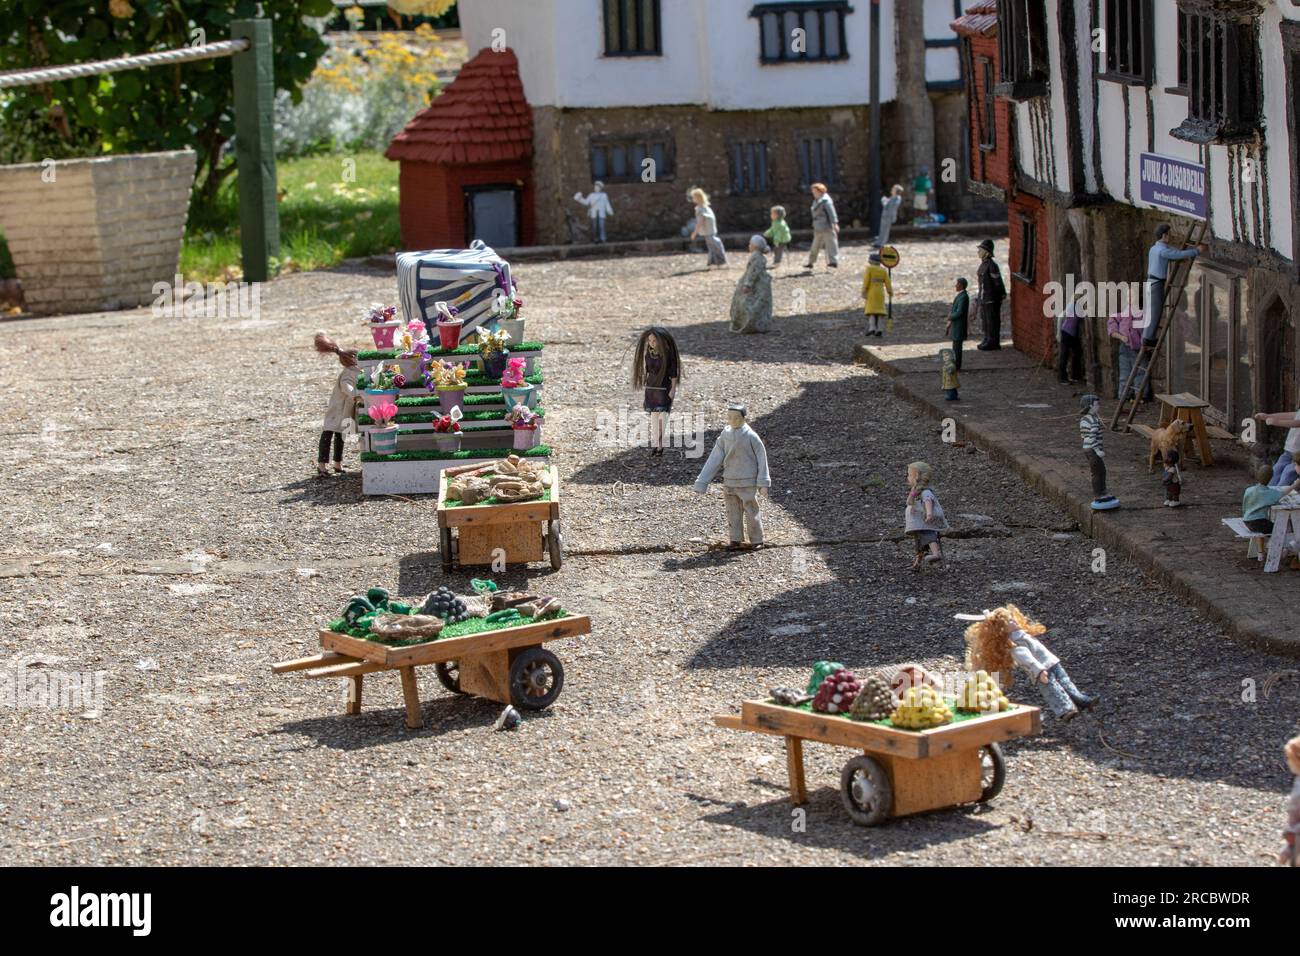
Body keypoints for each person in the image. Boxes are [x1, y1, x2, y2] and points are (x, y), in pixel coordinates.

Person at [693, 403, 771, 551]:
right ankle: (735, 539)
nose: (733, 421)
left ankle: (757, 539)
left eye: (736, 418)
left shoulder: (751, 436)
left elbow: (762, 459)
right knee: (732, 511)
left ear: (744, 418)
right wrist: (702, 481)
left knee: (751, 510)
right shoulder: (725, 435)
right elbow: (715, 458)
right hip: (729, 480)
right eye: (729, 417)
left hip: (748, 481)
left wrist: (763, 482)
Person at [1143, 223, 1203, 346]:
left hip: (1151, 282)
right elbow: (1177, 255)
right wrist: (1197, 250)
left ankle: (1147, 336)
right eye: (1169, 234)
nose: (1170, 236)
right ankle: (1148, 338)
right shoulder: (1162, 251)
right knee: (1155, 312)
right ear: (1164, 236)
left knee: (1152, 311)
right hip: (1157, 284)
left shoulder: (1154, 248)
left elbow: (1173, 252)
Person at [312, 331, 359, 477]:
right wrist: (356, 394)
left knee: (340, 435)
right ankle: (322, 465)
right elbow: (346, 386)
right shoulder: (349, 373)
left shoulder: (355, 371)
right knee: (329, 432)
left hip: (344, 408)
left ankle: (337, 463)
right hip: (338, 408)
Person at [632, 327, 682, 458]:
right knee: (654, 417)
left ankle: (660, 445)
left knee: (662, 418)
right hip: (651, 388)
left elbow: (673, 373)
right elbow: (648, 370)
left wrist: (673, 389)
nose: (652, 343)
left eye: (654, 340)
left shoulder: (668, 354)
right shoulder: (649, 354)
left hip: (664, 388)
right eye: (649, 341)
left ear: (660, 340)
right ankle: (657, 445)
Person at [904, 461, 947, 571]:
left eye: (910, 475)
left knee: (929, 535)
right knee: (919, 543)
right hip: (920, 523)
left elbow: (928, 501)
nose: (908, 477)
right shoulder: (916, 492)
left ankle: (936, 554)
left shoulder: (925, 492)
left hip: (925, 522)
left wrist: (929, 513)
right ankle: (917, 563)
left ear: (917, 477)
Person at [1107, 303, 1153, 402]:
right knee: (1125, 373)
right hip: (1126, 347)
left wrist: (1148, 343)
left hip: (1139, 348)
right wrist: (1119, 336)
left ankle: (1140, 396)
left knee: (1140, 372)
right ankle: (1124, 395)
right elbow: (1112, 321)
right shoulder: (1125, 313)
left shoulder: (1145, 315)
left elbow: (1148, 329)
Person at [1080, 394, 1120, 510]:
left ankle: (1103, 491)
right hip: (1092, 449)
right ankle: (1098, 494)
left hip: (1090, 448)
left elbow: (1085, 435)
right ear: (1090, 406)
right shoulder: (1092, 420)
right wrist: (1098, 450)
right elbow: (1091, 436)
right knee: (1097, 472)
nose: (1098, 406)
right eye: (1096, 404)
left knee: (1102, 471)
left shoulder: (1088, 419)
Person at [730, 235, 774, 334]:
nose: (749, 246)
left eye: (750, 244)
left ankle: (750, 323)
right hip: (760, 283)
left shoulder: (756, 258)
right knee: (756, 303)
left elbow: (753, 272)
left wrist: (747, 284)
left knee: (749, 303)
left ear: (755, 246)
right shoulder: (758, 257)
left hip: (757, 284)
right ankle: (756, 323)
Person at [1242, 466, 1300, 534]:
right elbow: (1283, 493)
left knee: (1273, 525)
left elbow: (1244, 507)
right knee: (1283, 529)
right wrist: (1294, 485)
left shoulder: (1249, 490)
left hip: (1246, 520)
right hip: (1258, 523)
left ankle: (1263, 539)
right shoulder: (1268, 493)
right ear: (1271, 478)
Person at [1252, 408, 1300, 487]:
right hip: (1289, 450)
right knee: (1276, 470)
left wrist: (1277, 422)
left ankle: (1280, 493)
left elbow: (1297, 423)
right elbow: (1289, 415)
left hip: (1298, 455)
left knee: (1288, 474)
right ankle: (1268, 490)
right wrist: (1267, 416)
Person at [974, 239, 1005, 350]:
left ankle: (993, 341)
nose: (978, 252)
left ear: (987, 252)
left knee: (992, 321)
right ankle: (987, 338)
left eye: (981, 250)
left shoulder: (992, 265)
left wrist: (1001, 293)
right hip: (984, 298)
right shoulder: (983, 265)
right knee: (985, 321)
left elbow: (998, 282)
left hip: (991, 298)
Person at [1056, 284, 1086, 384]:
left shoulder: (1078, 306)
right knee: (1065, 354)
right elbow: (1061, 317)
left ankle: (1075, 375)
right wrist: (1058, 333)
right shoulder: (1072, 305)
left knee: (1077, 352)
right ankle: (1062, 377)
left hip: (1073, 334)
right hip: (1066, 332)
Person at [805, 182, 839, 269]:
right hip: (818, 226)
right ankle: (811, 262)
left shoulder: (826, 201)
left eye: (815, 192)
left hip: (827, 226)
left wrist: (835, 223)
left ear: (821, 191)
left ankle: (833, 261)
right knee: (815, 245)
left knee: (831, 244)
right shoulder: (816, 200)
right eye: (813, 192)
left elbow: (831, 213)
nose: (814, 194)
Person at [690, 188, 727, 267]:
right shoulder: (706, 208)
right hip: (710, 230)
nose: (692, 199)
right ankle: (713, 262)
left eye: (694, 197)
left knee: (714, 245)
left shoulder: (700, 209)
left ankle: (720, 259)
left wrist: (694, 233)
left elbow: (700, 222)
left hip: (708, 231)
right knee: (711, 246)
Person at [862, 250, 891, 337]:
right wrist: (890, 291)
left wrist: (863, 291)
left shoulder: (869, 269)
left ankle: (872, 328)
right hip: (880, 292)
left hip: (871, 292)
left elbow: (866, 281)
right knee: (880, 312)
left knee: (871, 311)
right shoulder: (883, 270)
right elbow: (888, 282)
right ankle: (880, 329)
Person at [946, 277, 970, 371]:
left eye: (957, 284)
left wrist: (950, 317)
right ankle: (955, 365)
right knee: (955, 347)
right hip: (957, 325)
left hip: (959, 326)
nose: (955, 286)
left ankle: (957, 366)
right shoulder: (961, 296)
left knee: (957, 348)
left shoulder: (963, 297)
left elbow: (960, 312)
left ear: (961, 285)